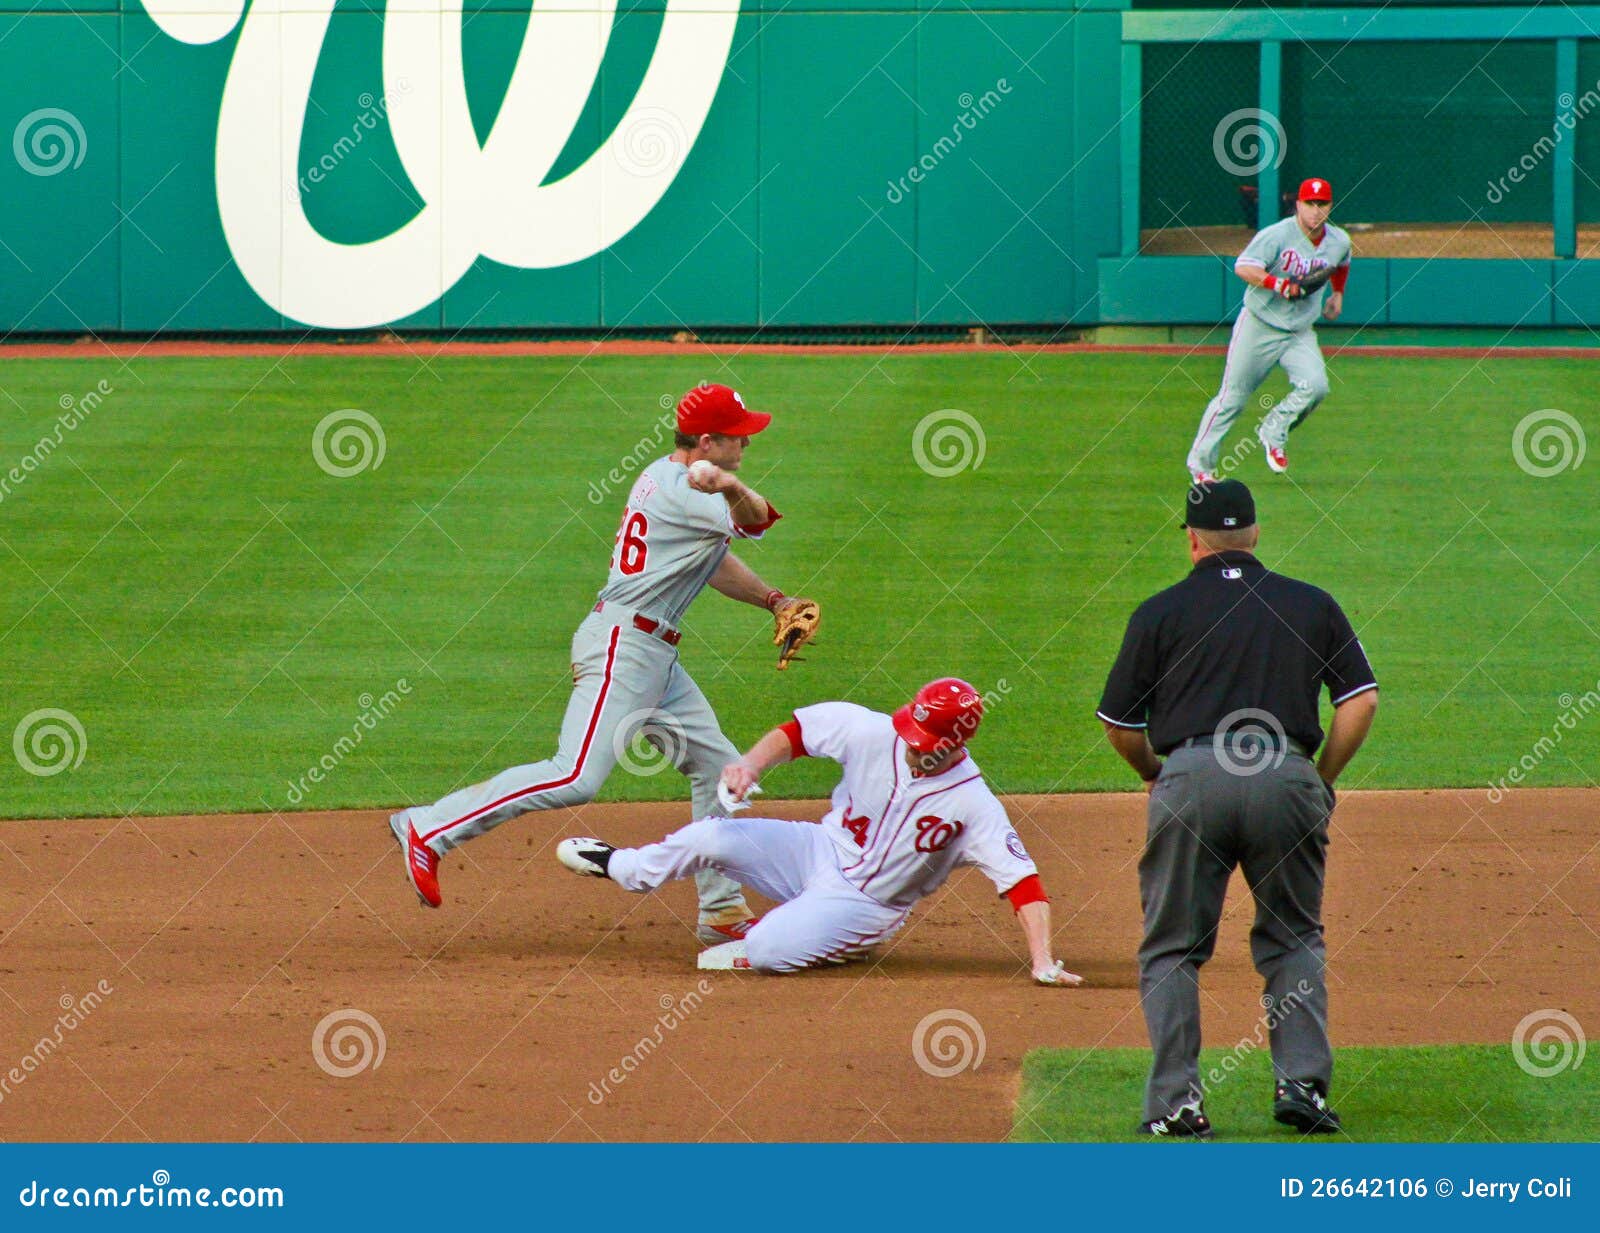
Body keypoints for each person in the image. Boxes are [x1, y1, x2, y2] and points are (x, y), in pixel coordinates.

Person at [389, 383, 817, 950]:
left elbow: (714, 562)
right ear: (709, 443)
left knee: (721, 773)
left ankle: (722, 912)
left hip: (652, 653)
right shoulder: (689, 488)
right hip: (624, 646)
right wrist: (733, 485)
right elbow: (757, 519)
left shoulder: (675, 479)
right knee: (574, 776)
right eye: (739, 438)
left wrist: (773, 600)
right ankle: (430, 827)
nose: (747, 444)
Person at [1096, 479, 1378, 1138]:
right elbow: (1359, 700)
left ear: (1192, 540)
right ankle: (1302, 1086)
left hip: (1191, 777)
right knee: (1293, 936)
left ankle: (1177, 1105)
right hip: (1285, 774)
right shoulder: (1310, 603)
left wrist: (1155, 773)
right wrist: (1320, 776)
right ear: (1253, 534)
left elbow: (1117, 722)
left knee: (1172, 947)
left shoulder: (1159, 612)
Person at [556, 678, 1084, 983]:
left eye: (925, 737)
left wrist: (1041, 960)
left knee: (762, 951)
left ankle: (828, 938)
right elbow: (797, 732)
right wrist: (750, 766)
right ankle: (619, 865)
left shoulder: (973, 804)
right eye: (913, 728)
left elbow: (1023, 882)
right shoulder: (875, 731)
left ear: (954, 743)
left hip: (867, 903)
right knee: (710, 835)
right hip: (817, 849)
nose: (912, 741)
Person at [1185, 177, 1351, 481]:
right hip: (1260, 325)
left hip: (1299, 331)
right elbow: (1243, 266)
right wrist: (1279, 284)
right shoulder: (1276, 235)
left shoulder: (1339, 240)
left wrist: (1337, 295)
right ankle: (1201, 468)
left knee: (1316, 386)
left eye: (1322, 203)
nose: (1315, 210)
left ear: (1330, 206)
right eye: (1310, 203)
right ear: (1298, 205)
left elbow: (1341, 263)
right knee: (1231, 399)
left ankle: (1274, 429)